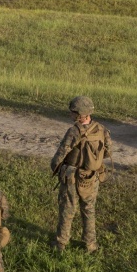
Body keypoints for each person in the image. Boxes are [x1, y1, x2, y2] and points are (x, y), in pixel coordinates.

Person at [50, 96, 112, 253]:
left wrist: (56, 167)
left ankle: (61, 243)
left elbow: (61, 154)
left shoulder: (74, 131)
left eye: (72, 112)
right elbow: (107, 152)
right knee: (89, 210)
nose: (70, 114)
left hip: (72, 176)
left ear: (79, 114)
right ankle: (90, 245)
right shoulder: (102, 129)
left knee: (67, 210)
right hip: (92, 177)